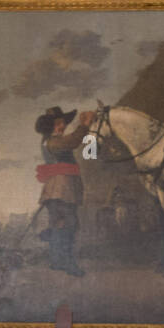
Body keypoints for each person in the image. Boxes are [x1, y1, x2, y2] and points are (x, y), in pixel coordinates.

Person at [34, 105, 94, 277]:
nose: (62, 126)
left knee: (58, 224)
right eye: (57, 124)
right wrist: (86, 124)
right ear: (49, 126)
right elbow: (74, 141)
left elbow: (73, 139)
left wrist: (83, 125)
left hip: (57, 189)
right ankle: (69, 264)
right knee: (69, 224)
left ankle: (56, 261)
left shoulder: (51, 141)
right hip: (61, 189)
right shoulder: (53, 142)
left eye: (62, 123)